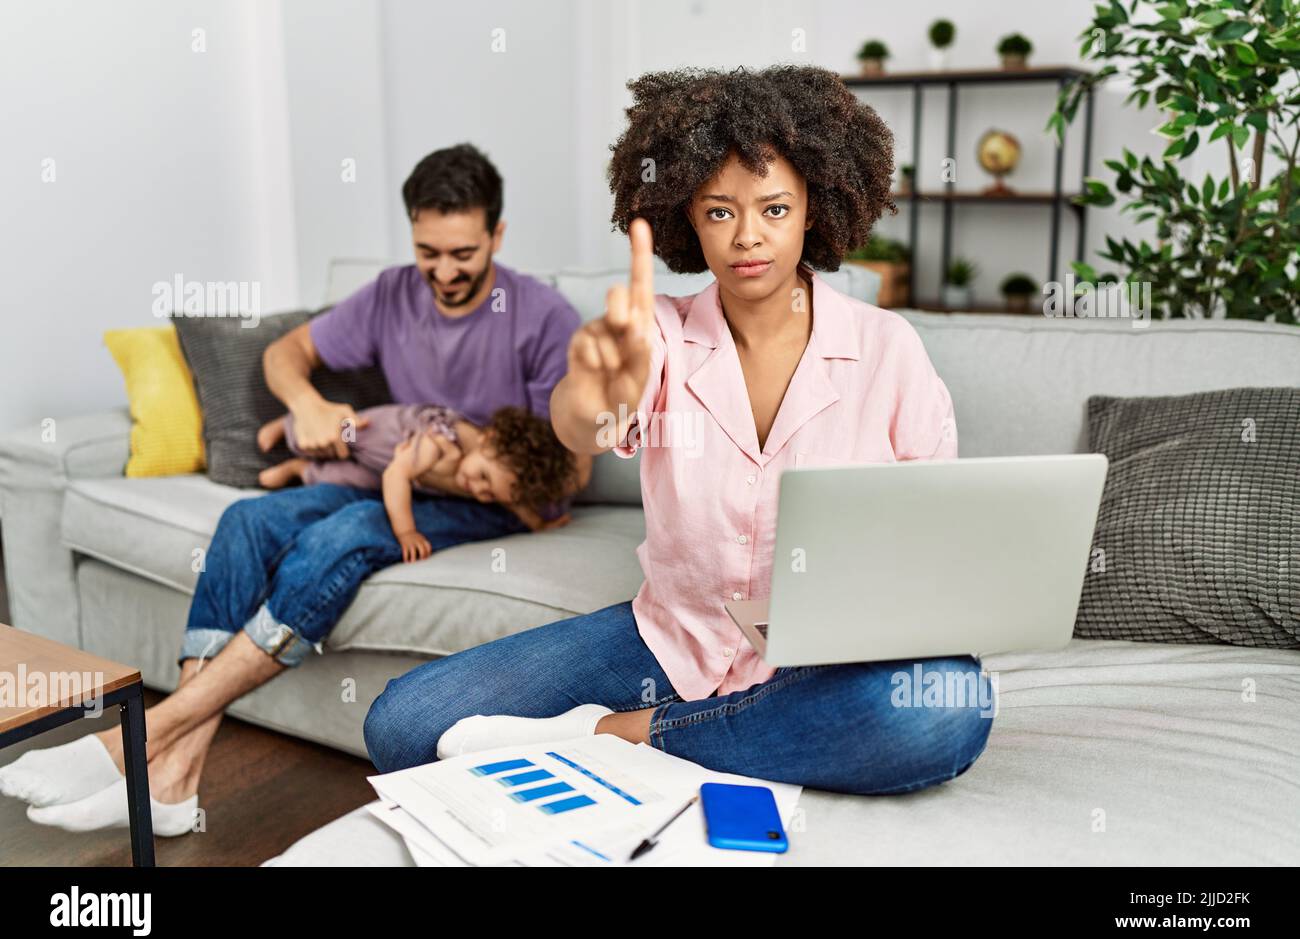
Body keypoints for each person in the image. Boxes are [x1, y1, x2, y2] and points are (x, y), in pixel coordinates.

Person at [363, 66, 994, 796]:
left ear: (816, 207)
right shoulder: (659, 330)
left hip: (829, 657)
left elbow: (934, 539)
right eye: (720, 211)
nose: (748, 237)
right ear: (687, 218)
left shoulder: (889, 350)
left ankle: (613, 736)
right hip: (672, 638)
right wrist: (603, 389)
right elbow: (582, 428)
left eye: (775, 208)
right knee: (403, 724)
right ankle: (744, 736)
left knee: (949, 711)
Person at [0, 143, 585, 835]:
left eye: (463, 253)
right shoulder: (394, 293)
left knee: (339, 539)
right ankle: (173, 778)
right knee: (249, 522)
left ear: (497, 235)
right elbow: (285, 354)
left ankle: (137, 739)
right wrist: (305, 403)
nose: (445, 271)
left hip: (489, 497)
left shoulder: (544, 316)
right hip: (392, 473)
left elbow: (569, 467)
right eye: (430, 251)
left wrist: (473, 469)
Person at [258, 402, 582, 552]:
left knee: (346, 478)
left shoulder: (490, 470)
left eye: (491, 494)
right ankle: (286, 424)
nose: (478, 491)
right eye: (483, 477)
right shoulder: (442, 440)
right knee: (329, 437)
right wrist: (407, 532)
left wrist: (538, 523)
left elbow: (513, 502)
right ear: (488, 439)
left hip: (381, 469)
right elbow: (396, 475)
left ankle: (297, 469)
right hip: (378, 437)